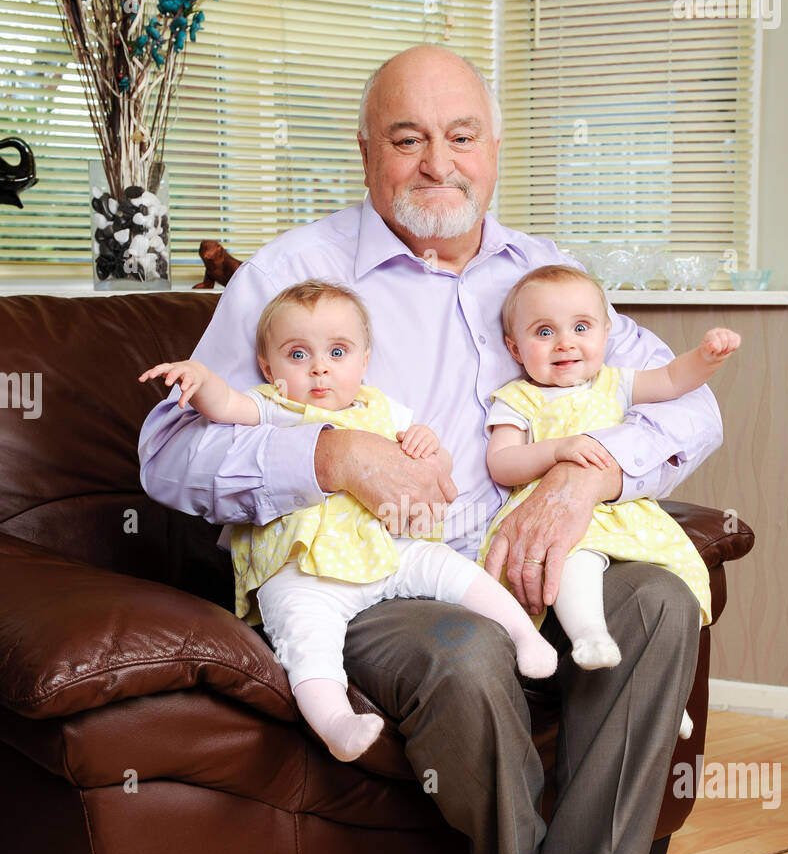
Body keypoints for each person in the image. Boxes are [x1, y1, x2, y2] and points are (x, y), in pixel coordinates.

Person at [139, 43, 741, 854]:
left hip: (518, 547)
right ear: (367, 153)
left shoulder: (544, 272)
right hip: (373, 577)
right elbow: (165, 457)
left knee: (657, 599)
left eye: (460, 135)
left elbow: (683, 405)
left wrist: (590, 473)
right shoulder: (291, 273)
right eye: (407, 138)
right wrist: (323, 458)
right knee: (464, 659)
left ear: (494, 148)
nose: (436, 162)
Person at [138, 279, 558, 763]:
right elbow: (224, 406)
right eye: (298, 355)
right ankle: (336, 722)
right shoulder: (275, 407)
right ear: (268, 368)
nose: (319, 367)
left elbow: (433, 463)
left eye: (337, 352)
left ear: (363, 360)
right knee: (306, 641)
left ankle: (524, 636)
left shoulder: (380, 407)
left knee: (449, 568)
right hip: (301, 570)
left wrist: (428, 446)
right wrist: (201, 378)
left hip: (386, 551)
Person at [479, 263, 740, 677]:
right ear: (515, 349)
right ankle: (589, 635)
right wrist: (557, 450)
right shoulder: (518, 398)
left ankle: (670, 698)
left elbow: (673, 379)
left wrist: (707, 358)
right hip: (550, 508)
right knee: (574, 558)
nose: (565, 343)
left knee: (676, 574)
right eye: (544, 333)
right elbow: (502, 463)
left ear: (605, 334)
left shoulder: (614, 382)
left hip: (620, 510)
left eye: (581, 328)